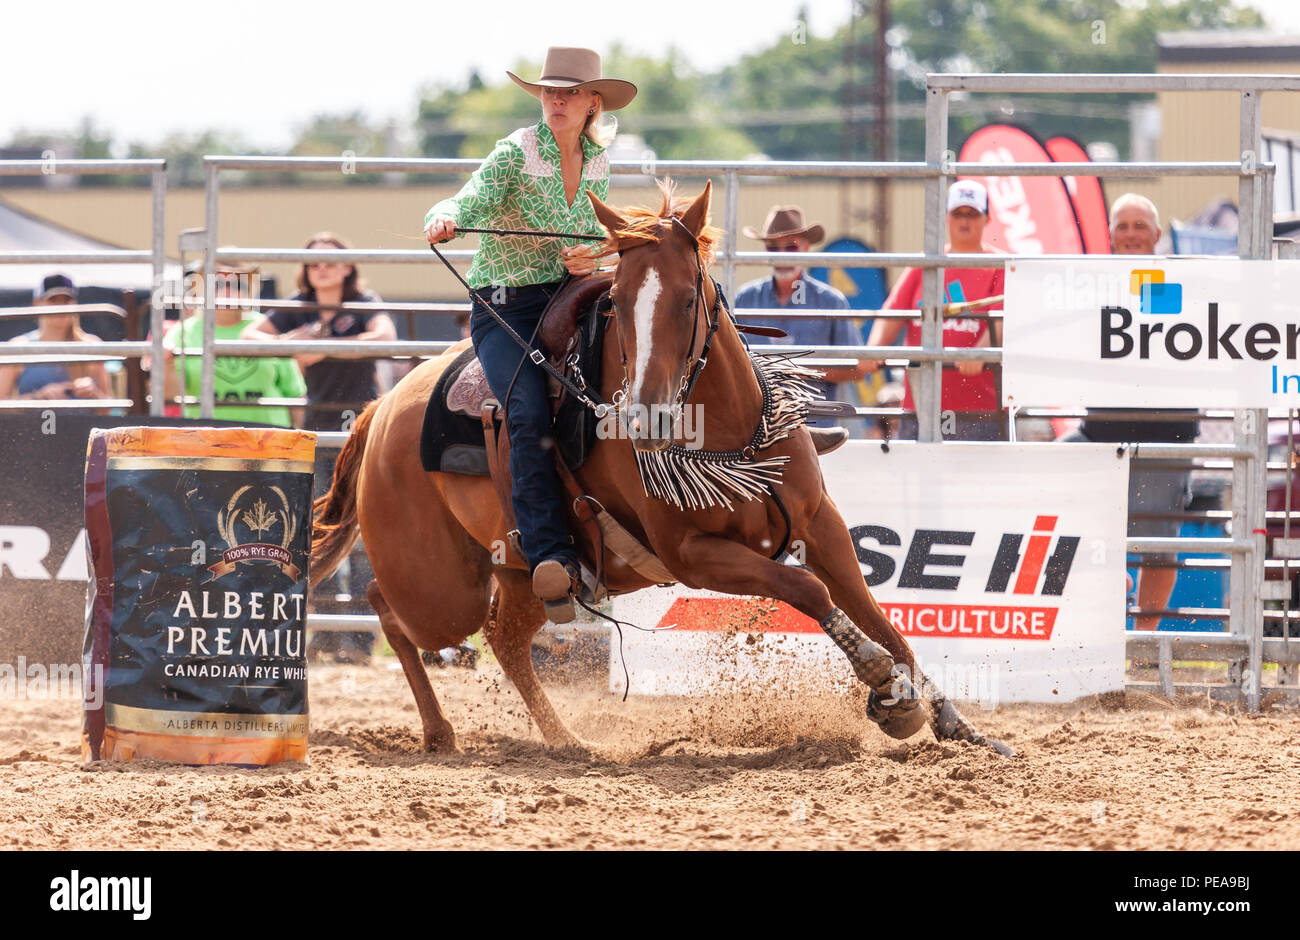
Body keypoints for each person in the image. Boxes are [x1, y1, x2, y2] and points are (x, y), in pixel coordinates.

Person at [424, 45, 634, 623]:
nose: (557, 100)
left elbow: (599, 234)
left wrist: (591, 254)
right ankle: (549, 554)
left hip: (569, 300)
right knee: (527, 414)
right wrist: (443, 218)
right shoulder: (515, 152)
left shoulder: (598, 162)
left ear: (593, 102)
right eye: (549, 91)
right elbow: (469, 198)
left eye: (569, 92)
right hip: (506, 307)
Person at [1058, 193, 1198, 631]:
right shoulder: (1090, 284)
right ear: (1111, 235)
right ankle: (1107, 609)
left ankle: (1142, 644)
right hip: (1100, 430)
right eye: (1124, 226)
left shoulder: (1183, 281)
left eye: (1141, 226)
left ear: (1158, 235)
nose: (1133, 234)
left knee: (1159, 543)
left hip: (1166, 431)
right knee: (1060, 501)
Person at [866, 180, 1004, 441]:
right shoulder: (925, 264)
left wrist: (980, 353)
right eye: (958, 213)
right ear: (946, 217)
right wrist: (873, 350)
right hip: (920, 407)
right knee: (916, 479)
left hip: (980, 411)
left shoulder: (999, 265)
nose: (965, 221)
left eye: (973, 214)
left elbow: (1002, 320)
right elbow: (892, 312)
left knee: (979, 483)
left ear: (987, 219)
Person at [241, 232, 397, 432]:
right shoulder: (299, 303)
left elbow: (385, 337)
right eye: (313, 263)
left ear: (347, 267)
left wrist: (324, 348)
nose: (321, 268)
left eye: (330, 262)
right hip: (316, 411)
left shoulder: (363, 300)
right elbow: (248, 335)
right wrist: (288, 341)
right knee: (320, 460)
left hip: (362, 410)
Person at [733, 205, 865, 429]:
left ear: (806, 247)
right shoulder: (744, 299)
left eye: (790, 247)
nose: (782, 255)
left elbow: (857, 368)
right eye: (773, 248)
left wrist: (799, 370)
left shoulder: (831, 302)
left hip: (813, 424)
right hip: (755, 424)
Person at [162, 260, 305, 426]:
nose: (227, 291)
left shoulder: (266, 327)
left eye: (238, 284)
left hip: (268, 440)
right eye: (217, 284)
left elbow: (294, 393)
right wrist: (166, 363)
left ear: (249, 289)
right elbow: (170, 396)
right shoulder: (182, 332)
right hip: (206, 441)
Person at [0, 274, 113, 410]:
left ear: (75, 304)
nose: (60, 307)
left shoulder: (92, 346)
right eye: (53, 300)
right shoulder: (19, 348)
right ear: (37, 303)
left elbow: (109, 409)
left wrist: (93, 394)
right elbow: (3, 406)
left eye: (66, 300)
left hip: (82, 430)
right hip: (34, 429)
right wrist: (38, 398)